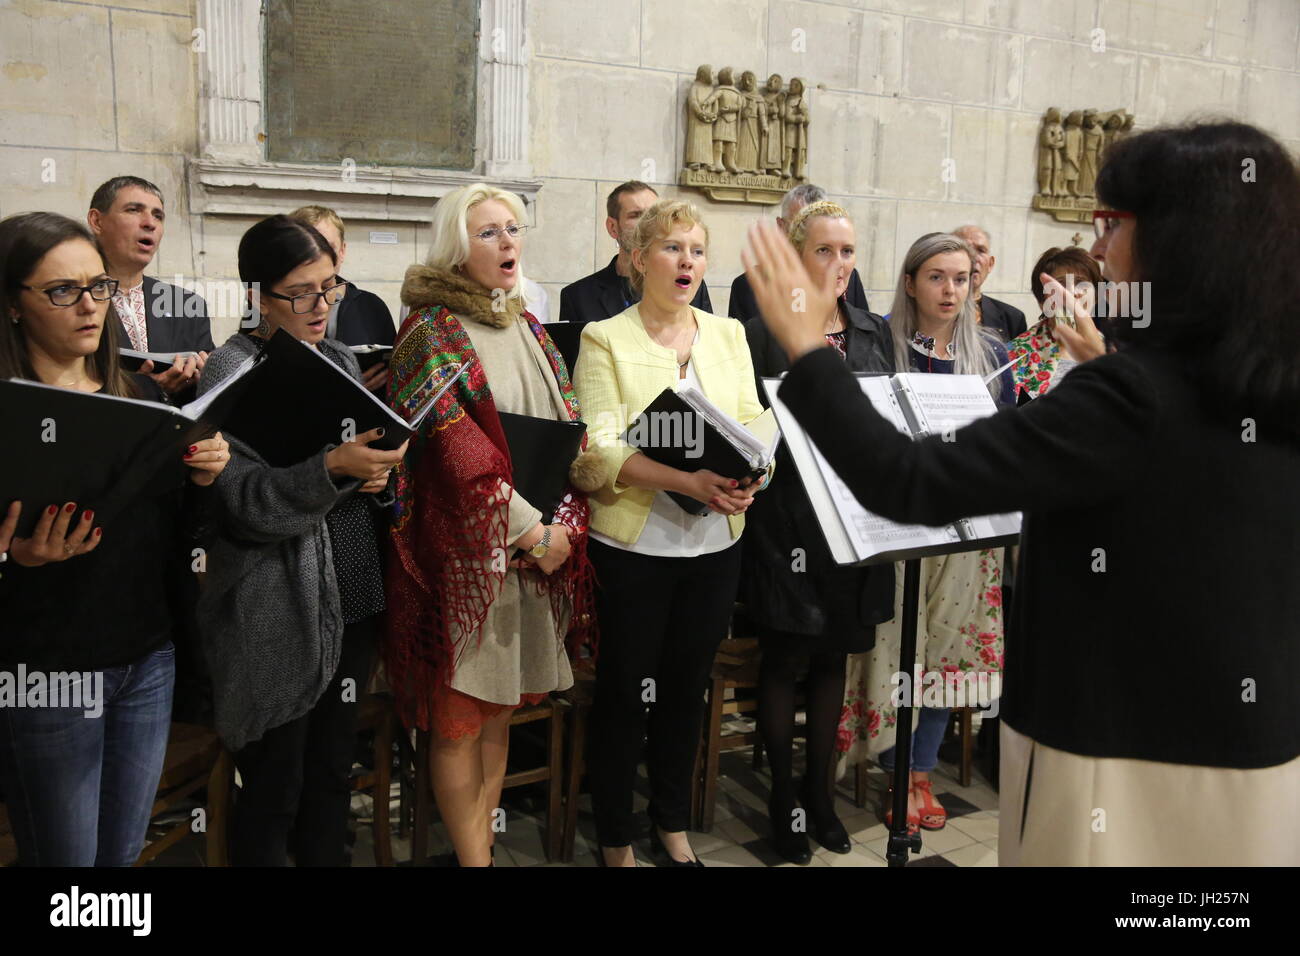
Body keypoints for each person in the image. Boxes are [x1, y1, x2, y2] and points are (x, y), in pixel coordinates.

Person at [742, 120, 1300, 865]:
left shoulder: (1133, 396)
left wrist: (809, 351)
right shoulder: (1269, 381)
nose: (1098, 250)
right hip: (1256, 754)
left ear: (1181, 238)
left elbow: (911, 480)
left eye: (1112, 223)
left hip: (1120, 758)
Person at [0, 211, 228, 866]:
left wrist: (207, 478)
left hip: (146, 658)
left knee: (120, 857)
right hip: (46, 666)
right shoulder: (12, 410)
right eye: (62, 291)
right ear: (14, 305)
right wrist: (14, 557)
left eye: (97, 287)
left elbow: (180, 539)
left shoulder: (146, 403)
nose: (89, 306)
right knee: (66, 863)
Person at [385, 183, 603, 868]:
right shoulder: (430, 331)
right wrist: (534, 532)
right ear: (457, 247)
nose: (508, 242)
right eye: (488, 233)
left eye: (513, 228)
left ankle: (477, 853)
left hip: (532, 562)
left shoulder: (529, 326)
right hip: (467, 563)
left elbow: (570, 435)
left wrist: (566, 521)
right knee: (458, 723)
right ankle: (474, 860)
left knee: (502, 708)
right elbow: (455, 453)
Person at [195, 215, 407, 866]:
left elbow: (362, 472)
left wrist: (379, 479)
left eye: (330, 286)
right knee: (274, 787)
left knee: (330, 778)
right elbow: (244, 504)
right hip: (274, 606)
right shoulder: (231, 372)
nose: (322, 306)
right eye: (301, 293)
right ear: (258, 295)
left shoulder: (340, 359)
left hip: (353, 594)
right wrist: (332, 470)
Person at [572, 199, 771, 867]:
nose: (686, 261)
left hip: (716, 543)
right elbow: (595, 451)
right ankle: (615, 837)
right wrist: (686, 481)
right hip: (635, 547)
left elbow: (753, 420)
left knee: (687, 690)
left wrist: (751, 475)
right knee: (627, 694)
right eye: (670, 248)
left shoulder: (728, 334)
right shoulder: (605, 337)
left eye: (695, 249)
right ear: (637, 259)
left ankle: (672, 824)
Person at [741, 200, 894, 864]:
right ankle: (784, 804)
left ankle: (821, 796)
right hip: (785, 519)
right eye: (824, 251)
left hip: (854, 519)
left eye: (848, 252)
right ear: (797, 257)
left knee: (835, 658)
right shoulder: (757, 330)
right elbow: (745, 425)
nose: (838, 265)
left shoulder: (872, 331)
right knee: (784, 661)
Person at [86, 176, 215, 396]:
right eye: (134, 210)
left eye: (158, 215)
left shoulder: (187, 305)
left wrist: (205, 377)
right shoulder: (76, 300)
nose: (150, 223)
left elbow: (210, 397)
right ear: (97, 221)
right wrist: (147, 390)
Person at [558, 181, 713, 326]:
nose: (646, 223)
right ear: (613, 227)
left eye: (654, 215)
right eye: (636, 215)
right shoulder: (578, 296)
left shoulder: (689, 286)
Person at [288, 205, 396, 394]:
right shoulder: (279, 307)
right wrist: (347, 391)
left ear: (342, 251)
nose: (319, 257)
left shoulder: (372, 307)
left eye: (327, 247)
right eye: (309, 247)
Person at [728, 184, 870, 323]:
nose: (807, 238)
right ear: (781, 226)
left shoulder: (847, 276)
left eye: (847, 250)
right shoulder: (747, 285)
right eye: (799, 228)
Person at [1007, 246, 1104, 401]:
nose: (1072, 292)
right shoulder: (1014, 354)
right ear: (1042, 299)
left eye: (1081, 283)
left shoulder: (1118, 351)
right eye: (1061, 284)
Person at [952, 225, 1027, 342]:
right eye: (965, 249)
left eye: (981, 250)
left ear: (990, 264)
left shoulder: (1013, 318)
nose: (973, 257)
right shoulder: (925, 312)